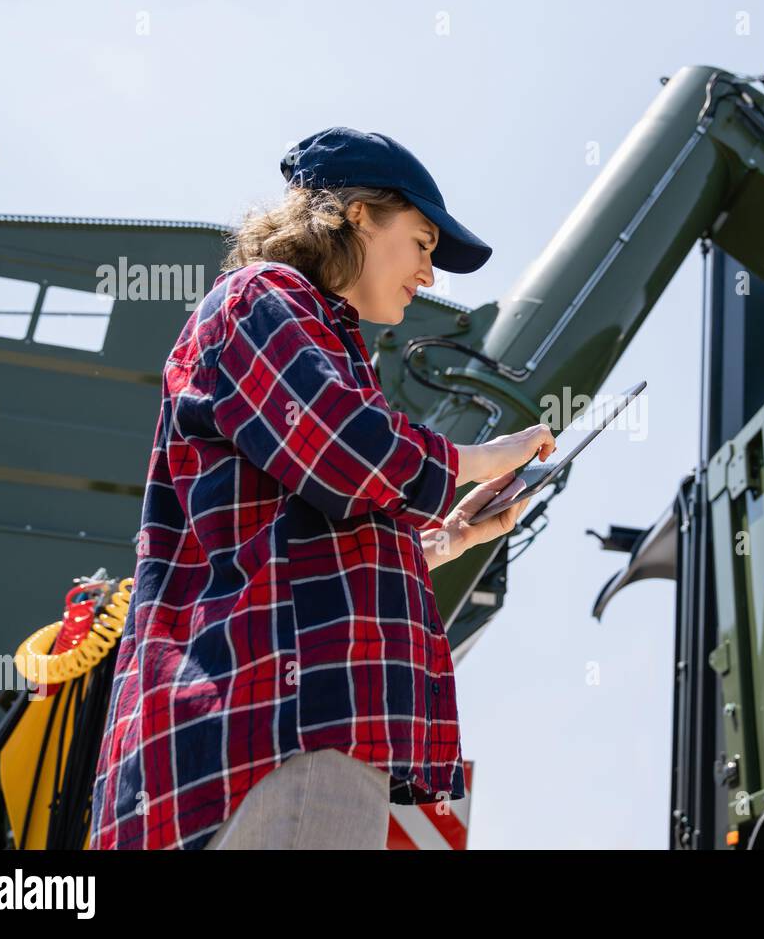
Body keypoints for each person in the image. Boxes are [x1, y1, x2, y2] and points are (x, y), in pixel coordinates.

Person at [88, 128, 555, 849]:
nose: (430, 275)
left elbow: (295, 542)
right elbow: (348, 448)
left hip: (264, 735)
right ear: (361, 213)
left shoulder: (300, 330)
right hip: (280, 728)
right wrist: (484, 457)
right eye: (424, 242)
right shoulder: (262, 297)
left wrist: (446, 539)